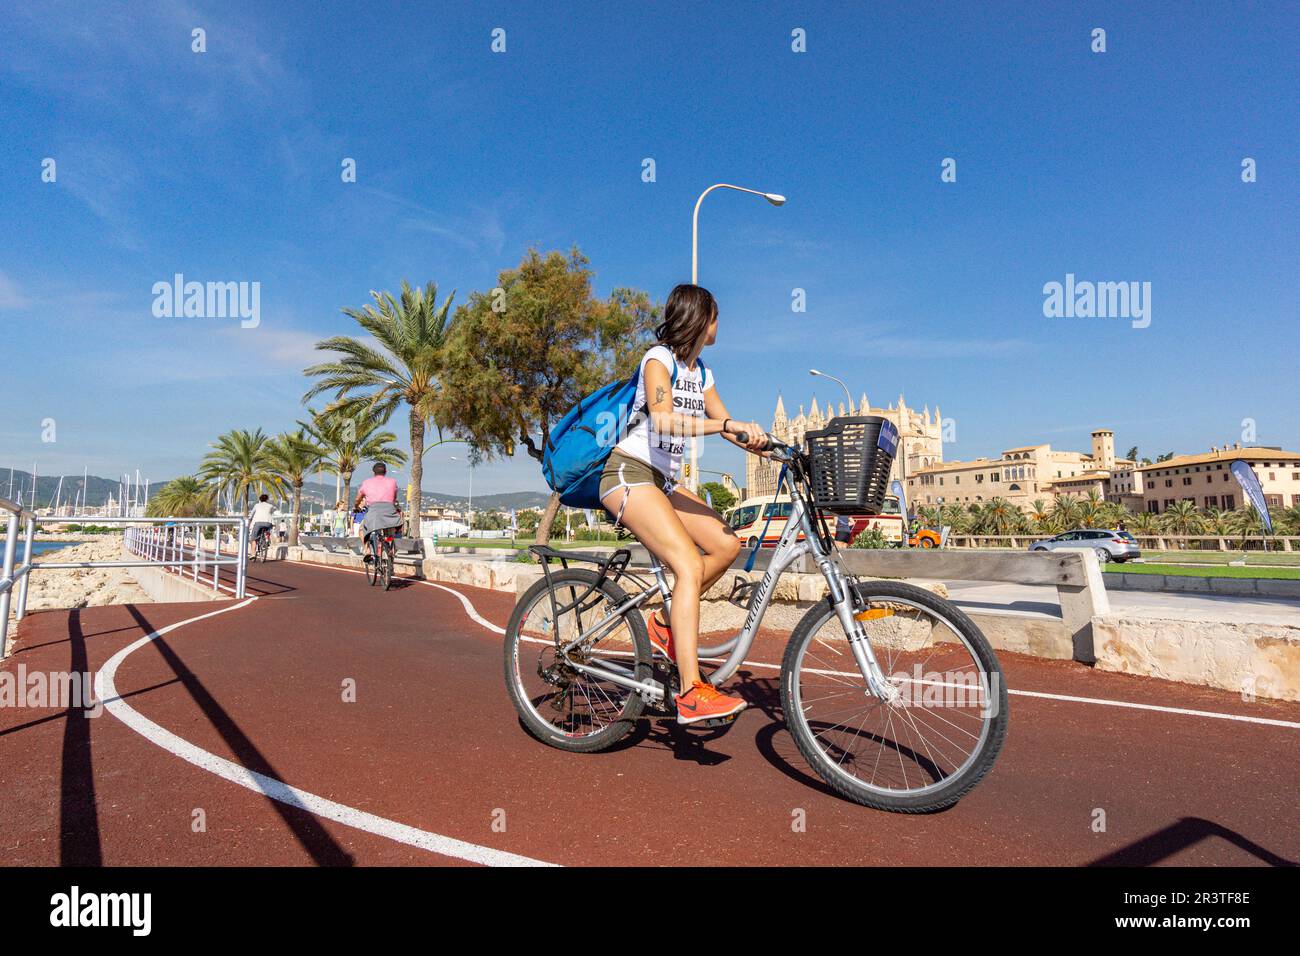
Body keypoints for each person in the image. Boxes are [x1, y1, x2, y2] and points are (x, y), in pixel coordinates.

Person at [598, 283, 768, 725]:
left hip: (666, 482)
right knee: (688, 567)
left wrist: (761, 444)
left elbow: (723, 423)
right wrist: (725, 424)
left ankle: (662, 621)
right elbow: (664, 419)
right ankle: (692, 691)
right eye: (715, 317)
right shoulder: (659, 359)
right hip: (629, 474)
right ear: (699, 319)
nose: (718, 325)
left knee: (727, 545)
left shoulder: (701, 372)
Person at [354, 462, 404, 546]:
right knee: (390, 528)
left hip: (373, 512)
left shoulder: (367, 482)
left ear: (373, 472)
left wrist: (356, 506)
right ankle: (390, 546)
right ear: (386, 471)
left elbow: (357, 498)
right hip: (389, 511)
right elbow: (394, 496)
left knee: (361, 530)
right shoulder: (392, 481)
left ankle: (367, 551)